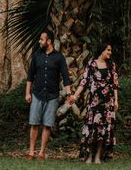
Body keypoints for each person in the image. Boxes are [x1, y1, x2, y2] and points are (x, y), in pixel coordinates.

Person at [68, 42, 119, 164]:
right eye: (108, 50)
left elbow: (115, 85)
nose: (110, 53)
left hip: (107, 103)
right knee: (92, 129)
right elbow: (84, 82)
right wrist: (75, 96)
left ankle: (97, 156)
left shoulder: (111, 65)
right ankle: (89, 156)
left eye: (110, 50)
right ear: (102, 50)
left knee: (103, 130)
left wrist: (116, 101)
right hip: (94, 103)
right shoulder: (91, 64)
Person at [25, 29, 72, 161]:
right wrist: (27, 93)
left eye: (41, 39)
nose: (39, 41)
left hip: (52, 96)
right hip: (37, 94)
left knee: (47, 125)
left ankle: (41, 153)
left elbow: (66, 77)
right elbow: (30, 76)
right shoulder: (36, 56)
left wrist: (69, 93)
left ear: (49, 41)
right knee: (34, 123)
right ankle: (31, 152)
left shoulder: (59, 58)